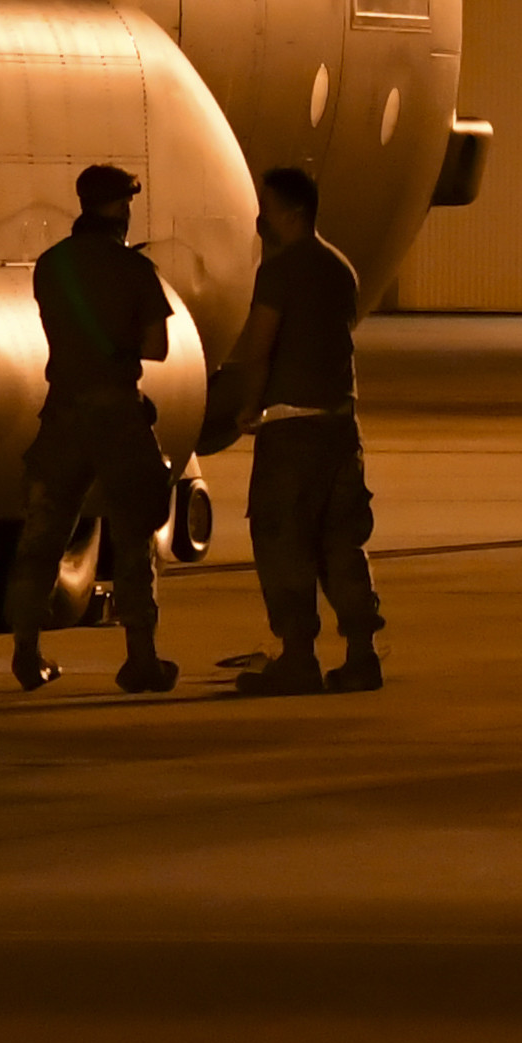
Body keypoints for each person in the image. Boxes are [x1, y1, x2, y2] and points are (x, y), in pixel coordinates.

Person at [0, 159, 182, 692]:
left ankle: (27, 653)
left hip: (62, 413)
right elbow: (157, 348)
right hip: (117, 415)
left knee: (41, 536)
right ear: (120, 207)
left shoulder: (50, 267)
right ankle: (140, 658)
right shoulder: (135, 271)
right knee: (133, 535)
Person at [221, 160, 384, 695]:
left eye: (265, 209)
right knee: (342, 544)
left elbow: (260, 347)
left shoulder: (281, 271)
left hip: (291, 431)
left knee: (283, 542)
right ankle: (362, 654)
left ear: (289, 213)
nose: (259, 221)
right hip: (341, 428)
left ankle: (298, 656)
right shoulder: (341, 269)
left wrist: (246, 407)